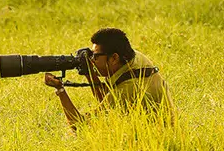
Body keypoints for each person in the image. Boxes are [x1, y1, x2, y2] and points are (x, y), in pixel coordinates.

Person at [44, 27, 176, 130]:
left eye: (95, 56)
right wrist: (89, 73)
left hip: (150, 142)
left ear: (114, 58)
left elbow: (79, 126)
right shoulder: (135, 58)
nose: (92, 61)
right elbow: (106, 97)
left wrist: (60, 89)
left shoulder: (127, 89)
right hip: (164, 129)